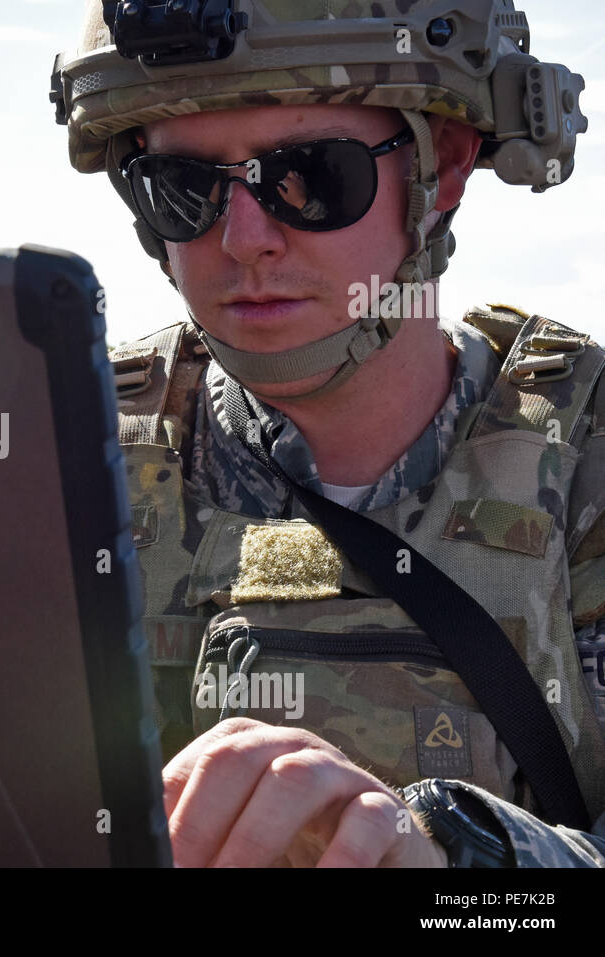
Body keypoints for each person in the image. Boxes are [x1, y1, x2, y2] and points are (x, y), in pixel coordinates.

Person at [52, 0, 604, 866]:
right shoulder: (65, 466)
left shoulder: (585, 467)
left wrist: (459, 866)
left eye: (309, 176)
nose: (244, 239)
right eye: (185, 190)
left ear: (445, 168)